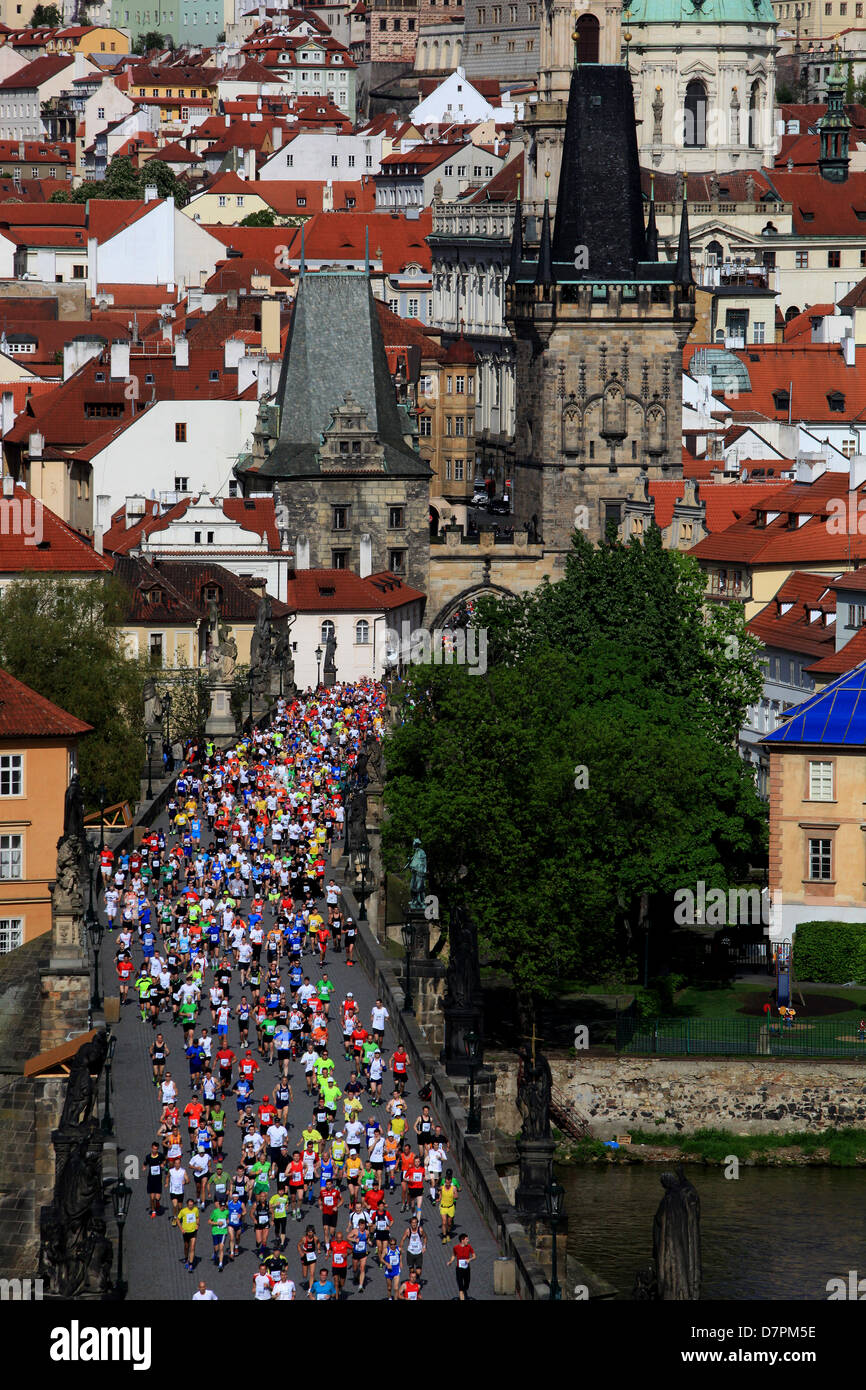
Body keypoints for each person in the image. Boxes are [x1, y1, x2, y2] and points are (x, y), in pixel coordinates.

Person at [447, 1233, 476, 1300]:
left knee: (466, 1284)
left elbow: (474, 1256)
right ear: (462, 1240)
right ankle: (462, 1296)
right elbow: (454, 1255)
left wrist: (470, 1259)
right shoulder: (456, 1247)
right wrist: (450, 1261)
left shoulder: (469, 1247)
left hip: (466, 1269)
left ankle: (464, 1291)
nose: (468, 1240)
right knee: (460, 1287)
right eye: (466, 1239)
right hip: (459, 1269)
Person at [179, 1196, 200, 1272]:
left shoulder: (196, 1210)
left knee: (192, 1247)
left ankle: (191, 1264)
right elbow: (178, 1219)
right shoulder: (183, 1211)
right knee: (186, 1246)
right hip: (186, 1232)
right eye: (189, 1205)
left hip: (193, 1231)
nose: (191, 1206)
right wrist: (181, 1228)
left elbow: (197, 1217)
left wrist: (197, 1224)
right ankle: (186, 1258)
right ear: (187, 1205)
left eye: (192, 1205)